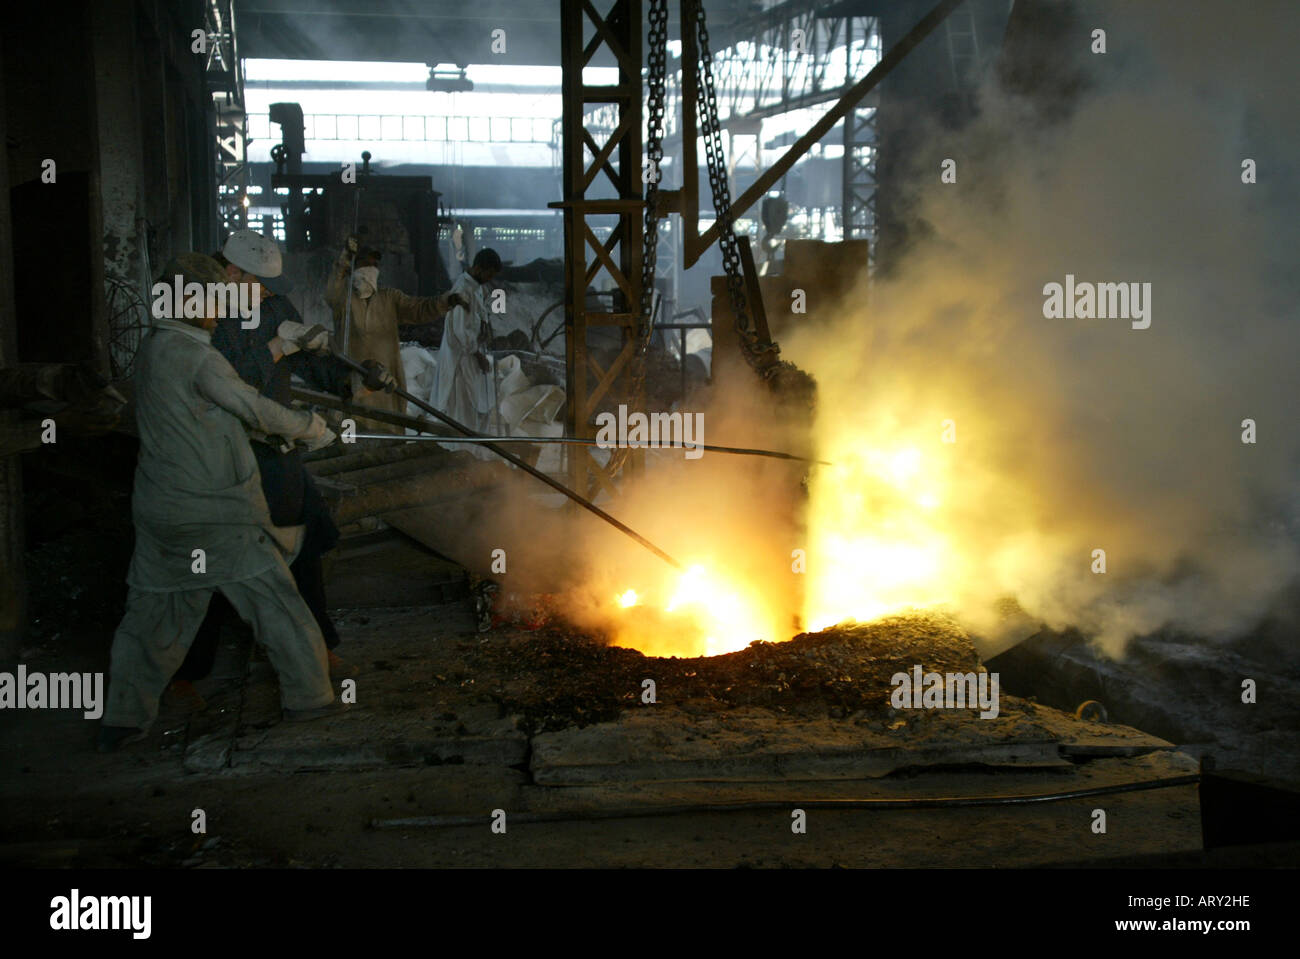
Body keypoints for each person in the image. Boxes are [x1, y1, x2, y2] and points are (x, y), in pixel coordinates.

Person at [99, 253, 345, 752]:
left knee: (154, 618)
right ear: (187, 300)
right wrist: (308, 429)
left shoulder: (152, 350)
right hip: (214, 515)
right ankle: (311, 698)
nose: (219, 310)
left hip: (161, 516)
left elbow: (213, 415)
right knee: (278, 607)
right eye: (213, 301)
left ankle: (123, 719)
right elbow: (248, 403)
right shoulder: (199, 358)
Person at [325, 239, 457, 425]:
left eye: (375, 265)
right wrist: (344, 259)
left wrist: (446, 302)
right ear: (354, 267)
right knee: (354, 432)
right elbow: (331, 292)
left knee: (387, 431)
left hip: (384, 383)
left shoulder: (389, 298)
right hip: (355, 384)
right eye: (365, 263)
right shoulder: (344, 300)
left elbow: (419, 309)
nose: (371, 269)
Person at [433, 248, 503, 437]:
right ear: (479, 268)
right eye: (489, 274)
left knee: (476, 410)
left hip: (471, 359)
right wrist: (479, 354)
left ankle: (473, 453)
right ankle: (459, 454)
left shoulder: (477, 287)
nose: (490, 279)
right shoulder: (462, 290)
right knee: (461, 412)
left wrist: (485, 328)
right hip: (460, 362)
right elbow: (459, 332)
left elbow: (479, 316)